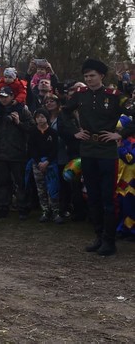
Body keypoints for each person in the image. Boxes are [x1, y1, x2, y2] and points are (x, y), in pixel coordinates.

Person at [63, 57, 131, 256]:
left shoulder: (114, 95)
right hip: (87, 149)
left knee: (107, 197)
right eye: (86, 76)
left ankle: (110, 241)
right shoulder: (80, 95)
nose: (89, 79)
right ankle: (99, 236)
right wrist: (74, 131)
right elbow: (64, 113)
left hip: (107, 151)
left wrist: (120, 134)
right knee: (92, 196)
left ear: (101, 76)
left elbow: (133, 114)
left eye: (92, 75)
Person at [0, 88, 33, 219]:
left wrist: (19, 123)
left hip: (18, 153)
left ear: (13, 96)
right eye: (1, 97)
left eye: (6, 96)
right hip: (0, 153)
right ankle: (2, 208)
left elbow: (31, 128)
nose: (3, 99)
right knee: (2, 182)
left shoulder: (22, 110)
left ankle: (23, 208)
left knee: (20, 183)